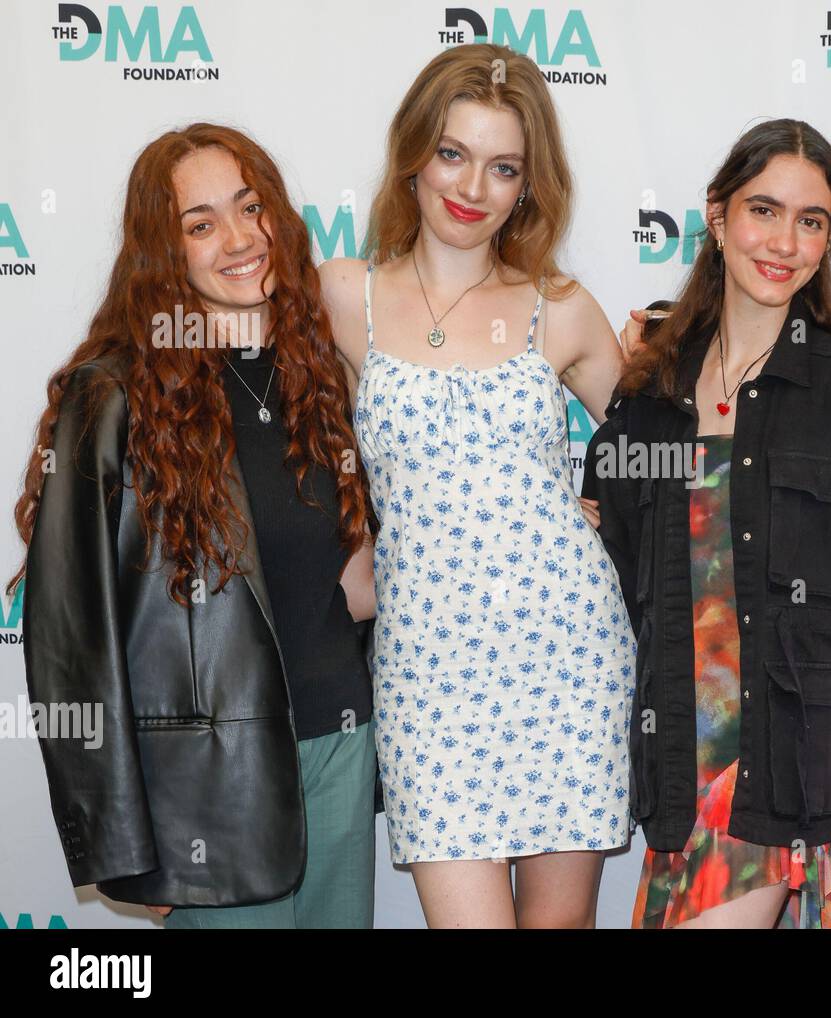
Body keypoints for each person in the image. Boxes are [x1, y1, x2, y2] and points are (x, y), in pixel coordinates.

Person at [11, 123, 381, 928]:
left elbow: (354, 585)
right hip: (212, 791)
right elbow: (70, 639)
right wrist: (125, 841)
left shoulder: (318, 376)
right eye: (202, 223)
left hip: (342, 750)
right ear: (162, 250)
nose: (241, 240)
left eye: (253, 209)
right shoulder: (113, 398)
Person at [319, 43, 635, 929]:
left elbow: (654, 450)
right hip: (428, 666)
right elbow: (296, 449)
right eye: (453, 154)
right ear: (414, 153)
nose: (472, 188)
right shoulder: (346, 297)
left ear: (529, 186)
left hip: (567, 658)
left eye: (504, 168)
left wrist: (589, 511)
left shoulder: (561, 306)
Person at [583, 119, 831, 928]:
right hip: (672, 762)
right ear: (718, 217)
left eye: (812, 220)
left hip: (781, 763)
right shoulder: (654, 385)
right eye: (763, 210)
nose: (785, 241)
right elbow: (616, 566)